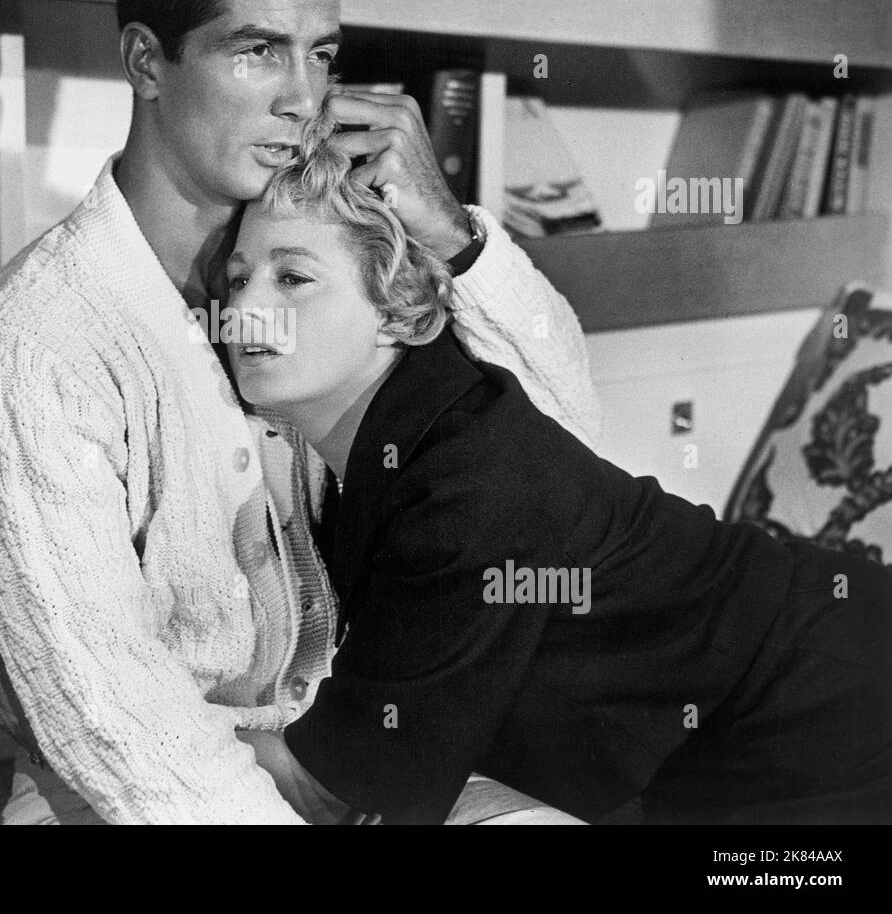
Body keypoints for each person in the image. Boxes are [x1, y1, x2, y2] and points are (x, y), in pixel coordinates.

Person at [0, 0, 599, 824]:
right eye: (257, 52)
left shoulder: (340, 261)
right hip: (137, 800)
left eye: (320, 54)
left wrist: (455, 235)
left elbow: (561, 450)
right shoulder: (33, 346)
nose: (302, 98)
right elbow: (115, 721)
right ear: (147, 61)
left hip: (351, 764)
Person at [225, 102, 892, 825]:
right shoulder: (397, 443)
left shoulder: (464, 488)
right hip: (740, 723)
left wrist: (140, 705)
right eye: (233, 279)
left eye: (293, 278)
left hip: (837, 699)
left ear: (400, 313)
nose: (245, 310)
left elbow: (327, 787)